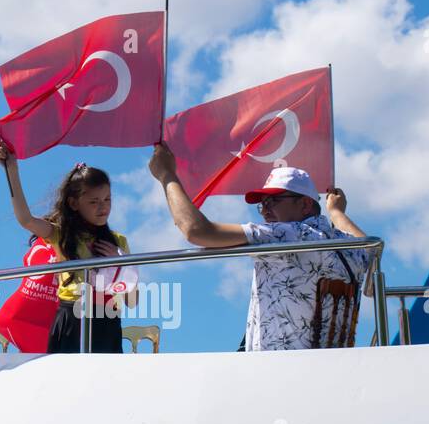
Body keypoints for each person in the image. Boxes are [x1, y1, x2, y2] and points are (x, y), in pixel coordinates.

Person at [147, 142, 368, 351]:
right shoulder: (344, 245)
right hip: (332, 368)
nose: (265, 211)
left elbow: (196, 230)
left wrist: (167, 175)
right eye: (263, 205)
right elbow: (369, 250)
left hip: (278, 372)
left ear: (304, 204)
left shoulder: (289, 234)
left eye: (274, 201)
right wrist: (337, 212)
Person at [0, 145, 137, 353]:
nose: (103, 207)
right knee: (66, 383)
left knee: (104, 384)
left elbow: (132, 301)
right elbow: (26, 219)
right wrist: (11, 170)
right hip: (71, 318)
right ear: (73, 203)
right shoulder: (60, 234)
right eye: (94, 201)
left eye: (107, 199)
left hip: (107, 320)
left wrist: (120, 264)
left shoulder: (119, 241)